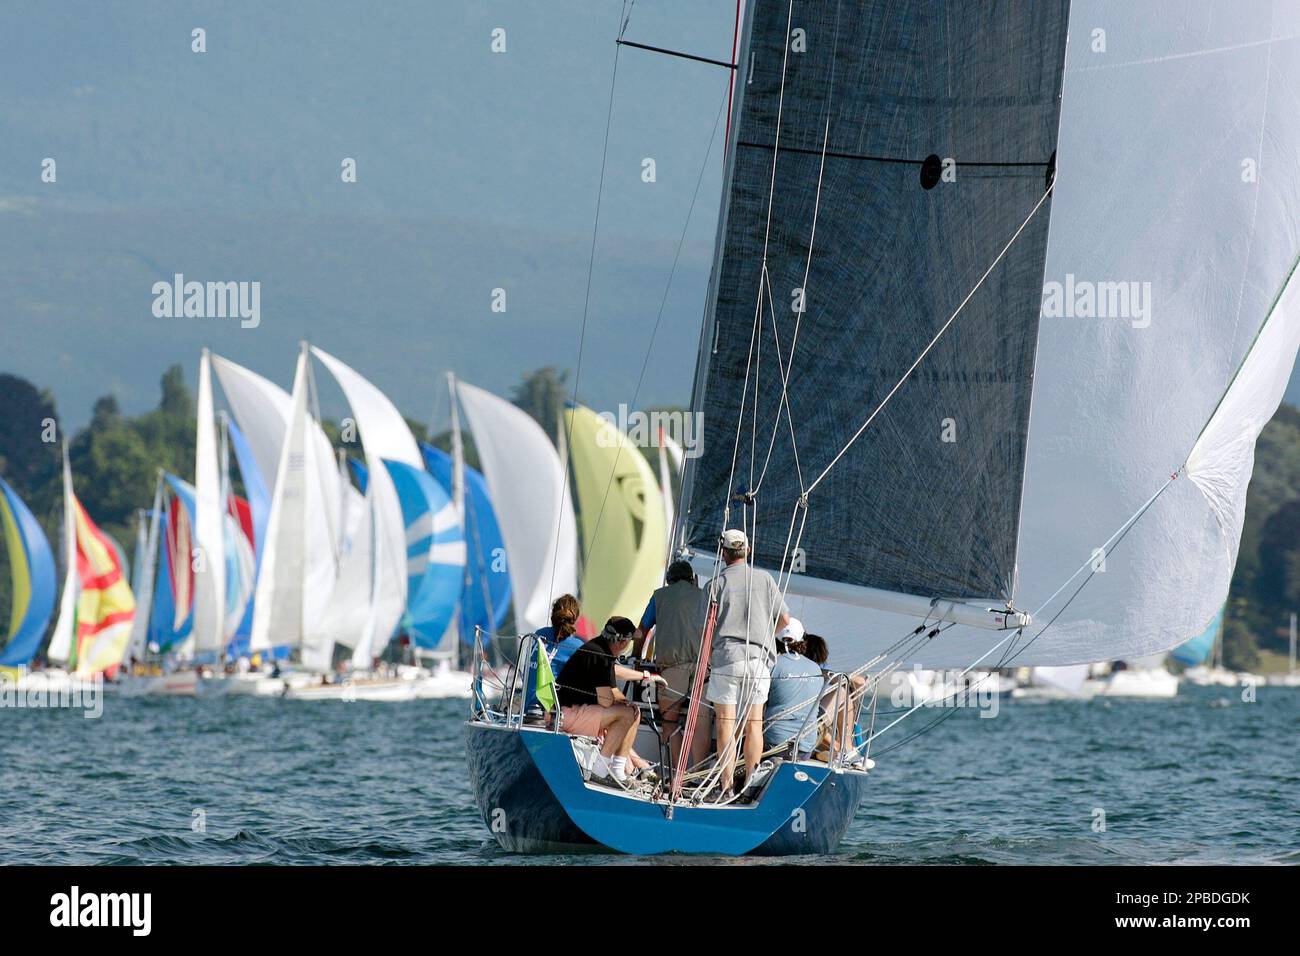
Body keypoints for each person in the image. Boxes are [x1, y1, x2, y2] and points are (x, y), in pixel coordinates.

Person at [705, 528, 790, 798]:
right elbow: (785, 620)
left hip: (727, 659)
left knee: (725, 724)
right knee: (754, 723)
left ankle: (727, 786)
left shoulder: (715, 584)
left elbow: (705, 631)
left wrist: (707, 659)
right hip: (758, 660)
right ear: (748, 551)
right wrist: (766, 636)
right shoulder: (765, 579)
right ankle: (752, 785)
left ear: (723, 552)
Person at [556, 616, 666, 786]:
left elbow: (613, 679)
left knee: (631, 712)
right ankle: (601, 771)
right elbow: (606, 700)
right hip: (570, 714)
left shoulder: (599, 648)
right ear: (622, 643)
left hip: (570, 711)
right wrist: (624, 704)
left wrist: (644, 679)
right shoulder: (599, 655)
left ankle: (618, 770)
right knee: (627, 713)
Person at [638, 560, 709, 770]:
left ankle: (675, 771)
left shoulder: (660, 596)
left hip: (672, 667)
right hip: (704, 668)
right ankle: (696, 774)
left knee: (670, 722)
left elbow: (643, 630)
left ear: (669, 580)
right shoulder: (704, 596)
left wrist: (636, 658)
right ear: (692, 579)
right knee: (700, 721)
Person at [763, 619, 825, 760]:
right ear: (802, 639)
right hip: (805, 748)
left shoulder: (771, 665)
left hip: (774, 746)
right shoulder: (816, 668)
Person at [802, 632, 866, 757]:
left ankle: (841, 749)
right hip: (808, 731)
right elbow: (860, 683)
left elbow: (860, 682)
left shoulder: (817, 672)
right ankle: (845, 749)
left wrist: (826, 674)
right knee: (842, 693)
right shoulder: (816, 674)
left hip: (806, 731)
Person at [526, 594, 585, 713]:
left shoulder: (539, 634)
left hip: (527, 706)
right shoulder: (576, 646)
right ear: (575, 618)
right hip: (549, 712)